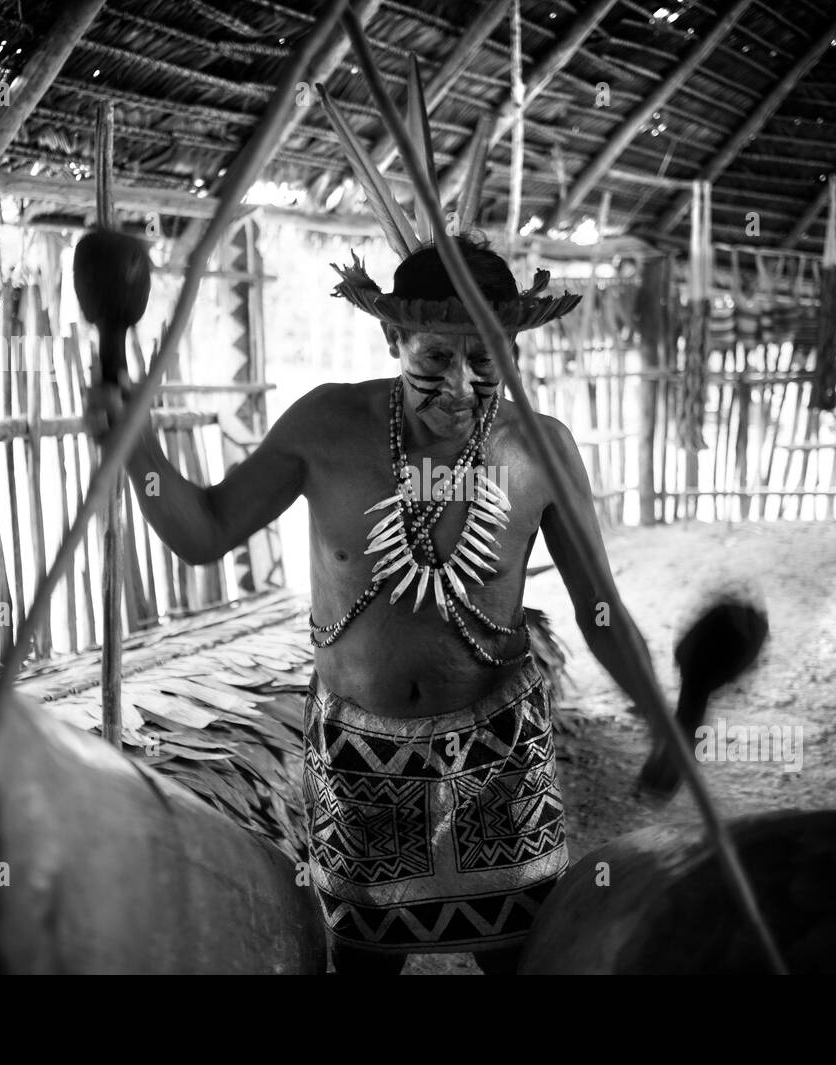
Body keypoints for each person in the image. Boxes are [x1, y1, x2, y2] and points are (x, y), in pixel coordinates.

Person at [87, 234, 655, 975]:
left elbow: (599, 607)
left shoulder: (540, 450)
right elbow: (205, 532)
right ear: (393, 336)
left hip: (500, 756)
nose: (460, 386)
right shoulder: (325, 428)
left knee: (522, 957)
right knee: (360, 962)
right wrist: (137, 450)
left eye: (486, 360)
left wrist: (661, 714)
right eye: (435, 360)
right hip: (359, 762)